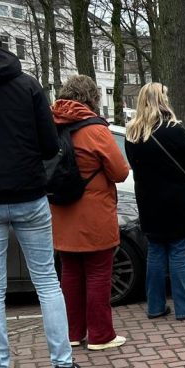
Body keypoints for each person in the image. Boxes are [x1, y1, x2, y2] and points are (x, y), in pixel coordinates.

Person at [0, 16, 81, 368]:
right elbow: (49, 146)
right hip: (29, 193)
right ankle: (62, 365)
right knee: (47, 281)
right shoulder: (27, 85)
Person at [50, 75, 129, 350]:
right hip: (94, 213)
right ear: (92, 98)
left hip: (61, 211)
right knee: (98, 274)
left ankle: (72, 333)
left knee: (69, 274)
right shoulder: (96, 130)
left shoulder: (50, 125)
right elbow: (119, 172)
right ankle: (100, 335)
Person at [125, 83, 185, 321]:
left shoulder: (132, 134)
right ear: (161, 100)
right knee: (178, 251)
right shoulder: (174, 129)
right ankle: (183, 306)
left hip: (148, 202)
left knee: (156, 252)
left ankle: (155, 305)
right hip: (176, 201)